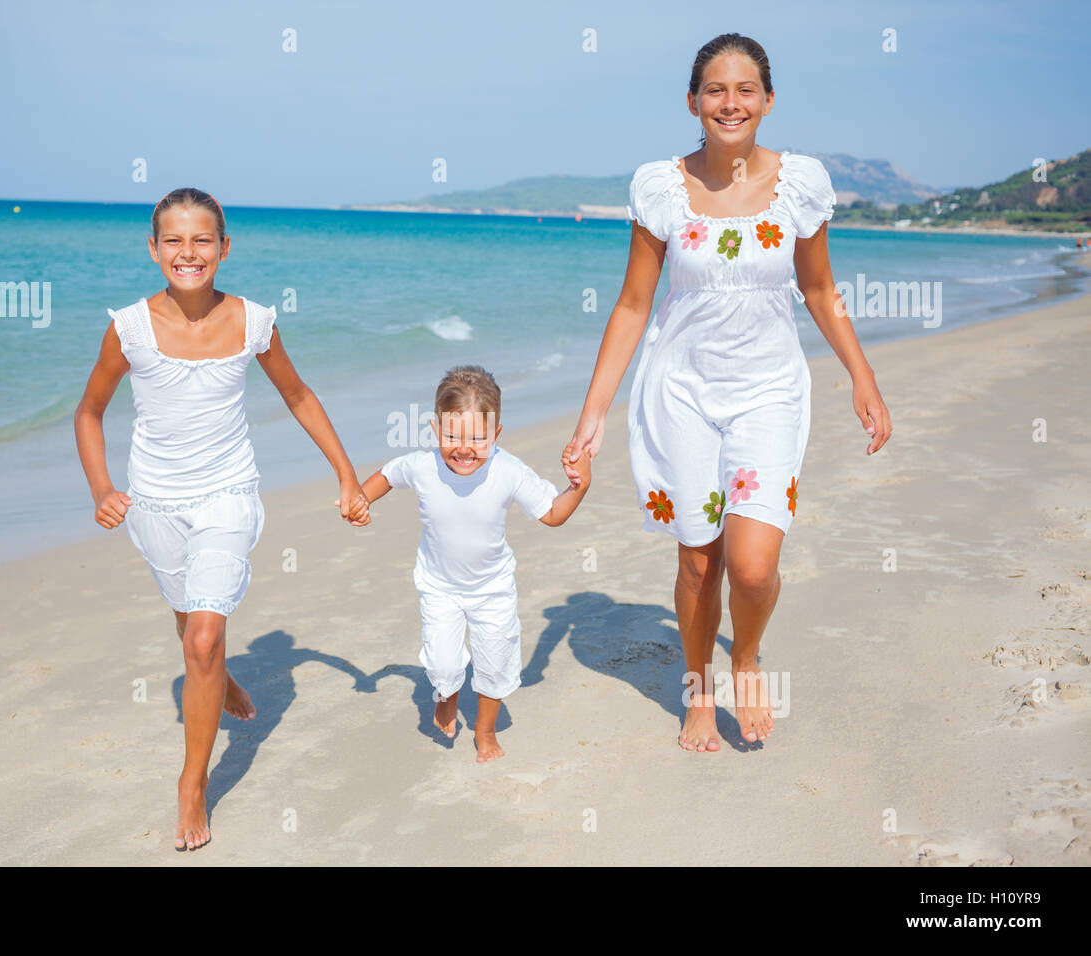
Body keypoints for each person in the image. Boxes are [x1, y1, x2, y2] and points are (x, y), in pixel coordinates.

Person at [566, 34, 892, 752]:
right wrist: (592, 415)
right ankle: (698, 688)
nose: (730, 103)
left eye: (746, 90)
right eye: (715, 90)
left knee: (752, 566)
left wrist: (861, 376)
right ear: (692, 101)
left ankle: (743, 656)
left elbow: (819, 289)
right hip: (681, 391)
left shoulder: (800, 183)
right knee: (697, 558)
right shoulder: (661, 187)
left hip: (768, 392)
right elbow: (631, 306)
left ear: (768, 101)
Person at [73, 188, 368, 849]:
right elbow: (88, 411)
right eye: (173, 241)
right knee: (190, 617)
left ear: (225, 248)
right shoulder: (129, 329)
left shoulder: (254, 322)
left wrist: (347, 476)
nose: (188, 252)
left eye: (202, 239)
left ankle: (192, 785)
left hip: (228, 495)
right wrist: (101, 489)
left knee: (202, 638)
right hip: (153, 504)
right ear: (153, 251)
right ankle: (220, 677)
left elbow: (297, 393)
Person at [356, 365, 590, 761]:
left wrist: (579, 487)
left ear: (496, 434)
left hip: (492, 588)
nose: (464, 449)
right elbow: (388, 475)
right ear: (435, 428)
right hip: (439, 586)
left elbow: (552, 513)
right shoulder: (423, 466)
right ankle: (446, 695)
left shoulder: (508, 470)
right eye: (452, 436)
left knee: (494, 662)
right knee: (444, 664)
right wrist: (359, 499)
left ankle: (484, 731)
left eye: (478, 439)